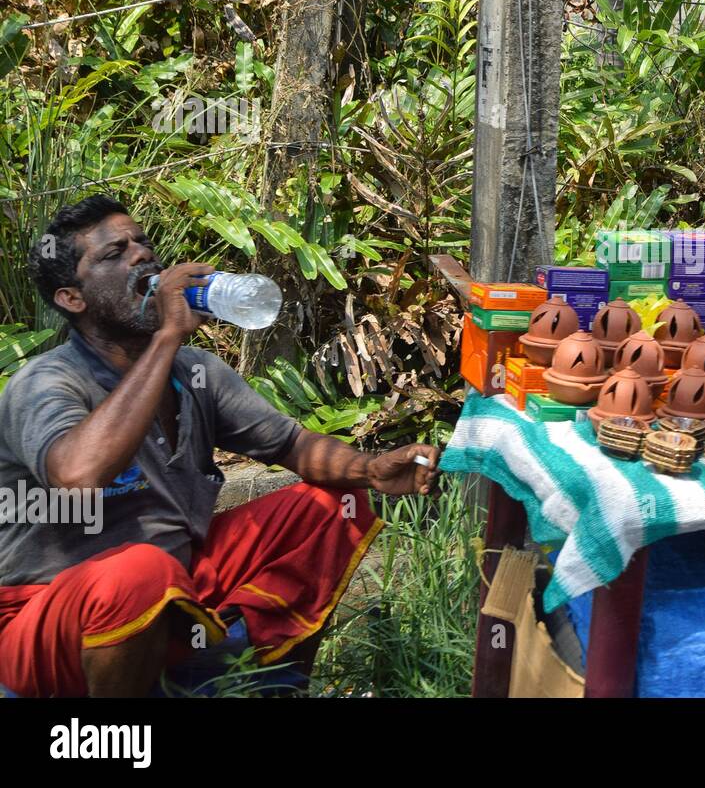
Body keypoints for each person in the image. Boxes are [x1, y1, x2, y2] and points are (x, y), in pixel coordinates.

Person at [0, 196, 439, 697]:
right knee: (141, 570)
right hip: (48, 617)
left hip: (173, 590)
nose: (142, 256)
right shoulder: (44, 383)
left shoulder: (196, 372)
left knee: (329, 503)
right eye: (113, 254)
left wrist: (371, 469)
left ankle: (266, 683)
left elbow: (294, 445)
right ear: (72, 299)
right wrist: (166, 339)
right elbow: (79, 476)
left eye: (141, 242)